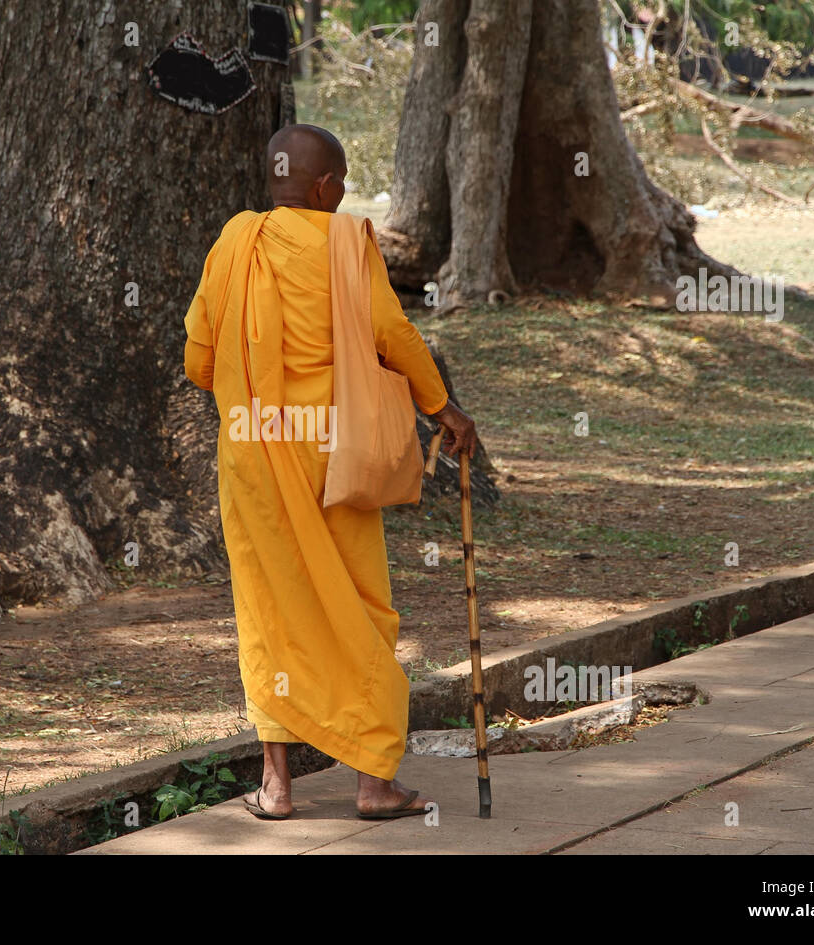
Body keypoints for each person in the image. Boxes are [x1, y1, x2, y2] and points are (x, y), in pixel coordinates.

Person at [182, 124, 478, 819]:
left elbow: (199, 360)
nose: (342, 196)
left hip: (256, 454)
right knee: (361, 603)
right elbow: (393, 333)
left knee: (268, 608)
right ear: (324, 188)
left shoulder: (235, 244)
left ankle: (277, 786)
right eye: (340, 185)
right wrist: (445, 408)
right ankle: (373, 780)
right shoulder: (348, 243)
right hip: (335, 453)